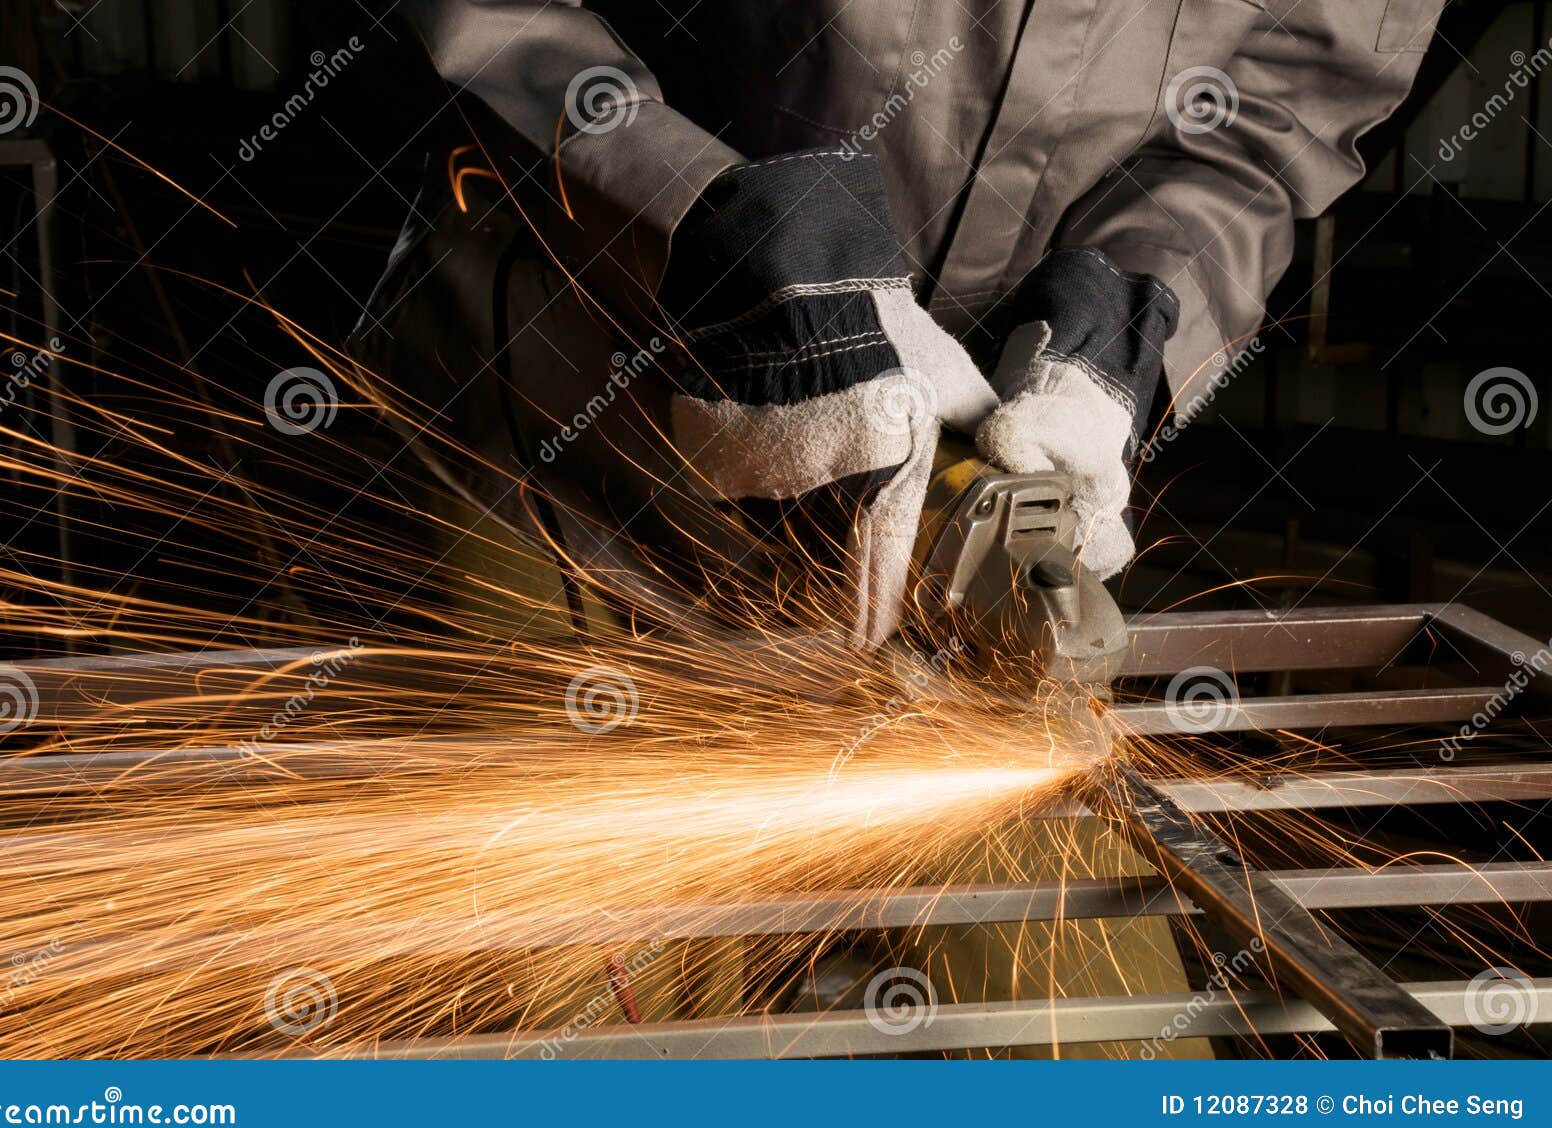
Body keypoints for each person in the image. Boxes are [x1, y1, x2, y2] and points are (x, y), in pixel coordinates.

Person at [356, 0, 1443, 647]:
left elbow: (1269, 117)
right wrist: (707, 221)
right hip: (570, 434)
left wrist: (1125, 321)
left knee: (1085, 1009)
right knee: (572, 995)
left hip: (957, 502)